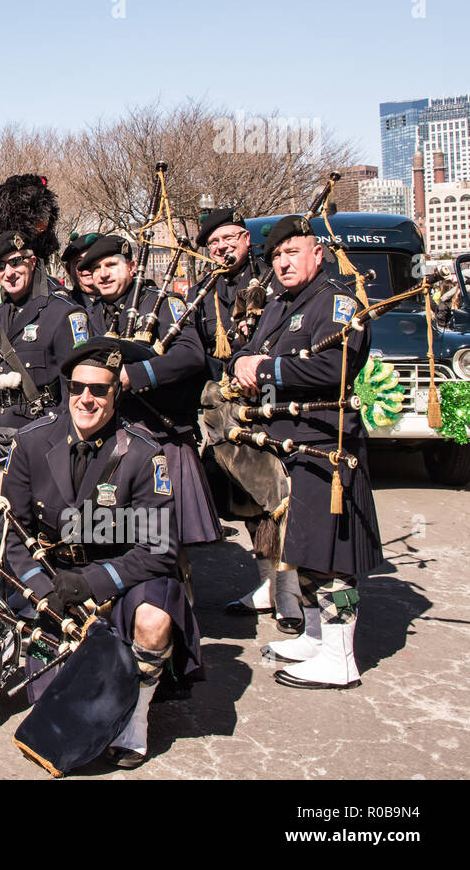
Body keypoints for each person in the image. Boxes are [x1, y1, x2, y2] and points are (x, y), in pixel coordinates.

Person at [1, 337, 203, 768]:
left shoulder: (145, 453)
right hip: (53, 579)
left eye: (99, 390)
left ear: (117, 394)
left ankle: (138, 715)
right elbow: (13, 535)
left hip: (125, 576)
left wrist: (93, 582)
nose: (86, 399)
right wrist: (43, 590)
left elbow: (159, 548)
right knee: (59, 711)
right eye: (77, 388)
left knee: (154, 620)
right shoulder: (31, 443)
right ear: (65, 390)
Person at [229, 215, 381, 689]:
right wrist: (242, 362)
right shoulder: (281, 304)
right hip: (289, 445)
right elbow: (248, 349)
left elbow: (333, 367)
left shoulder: (335, 302)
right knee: (307, 551)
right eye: (275, 255)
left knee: (332, 557)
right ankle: (316, 637)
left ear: (318, 252)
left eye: (292, 251)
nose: (283, 262)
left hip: (327, 447)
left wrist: (266, 367)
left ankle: (341, 657)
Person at [188, 208, 301, 630]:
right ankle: (268, 585)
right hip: (225, 412)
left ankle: (292, 595)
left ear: (246, 238)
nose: (222, 247)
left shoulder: (273, 282)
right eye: (214, 243)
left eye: (229, 238)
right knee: (249, 502)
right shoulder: (205, 292)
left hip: (273, 403)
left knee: (281, 497)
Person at [78, 235, 221, 552]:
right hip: (114, 439)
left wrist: (135, 375)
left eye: (111, 265)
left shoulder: (165, 303)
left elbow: (190, 355)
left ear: (131, 267)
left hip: (161, 433)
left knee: (169, 546)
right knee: (124, 542)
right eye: (97, 268)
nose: (103, 274)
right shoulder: (92, 315)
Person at [0, 230, 80, 473]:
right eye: (0, 267)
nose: (8, 272)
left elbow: (74, 387)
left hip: (44, 435)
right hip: (1, 437)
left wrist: (69, 442)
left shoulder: (62, 312)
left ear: (32, 262)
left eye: (15, 262)